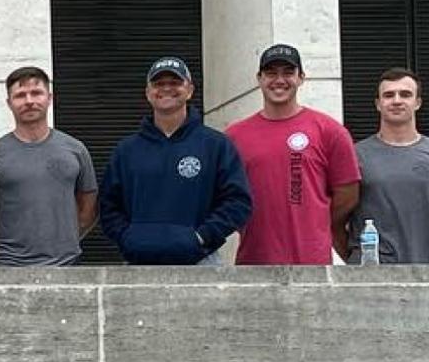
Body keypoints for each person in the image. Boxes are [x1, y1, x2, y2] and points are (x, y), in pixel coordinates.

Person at [98, 58, 253, 265]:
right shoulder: (126, 151)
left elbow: (238, 202)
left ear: (189, 90)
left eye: (175, 82)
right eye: (159, 84)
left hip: (201, 263)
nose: (166, 89)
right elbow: (108, 206)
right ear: (148, 92)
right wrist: (128, 238)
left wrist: (201, 237)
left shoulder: (216, 145)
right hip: (138, 264)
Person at [227, 44, 361, 264]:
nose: (279, 80)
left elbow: (348, 193)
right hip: (253, 262)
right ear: (259, 79)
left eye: (288, 72)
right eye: (271, 73)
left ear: (301, 78)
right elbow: (223, 196)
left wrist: (315, 221)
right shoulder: (234, 136)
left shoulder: (330, 131)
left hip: (312, 264)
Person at [0, 67, 98, 266]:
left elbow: (89, 207)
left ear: (50, 97)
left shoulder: (75, 150)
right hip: (7, 268)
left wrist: (66, 241)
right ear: (9, 103)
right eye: (20, 95)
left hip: (66, 266)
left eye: (36, 93)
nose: (29, 101)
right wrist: (1, 247)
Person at [354, 67, 429, 262]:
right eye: (388, 95)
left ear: (418, 103)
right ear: (378, 104)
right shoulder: (355, 155)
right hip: (374, 274)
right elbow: (336, 219)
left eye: (405, 94)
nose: (396, 101)